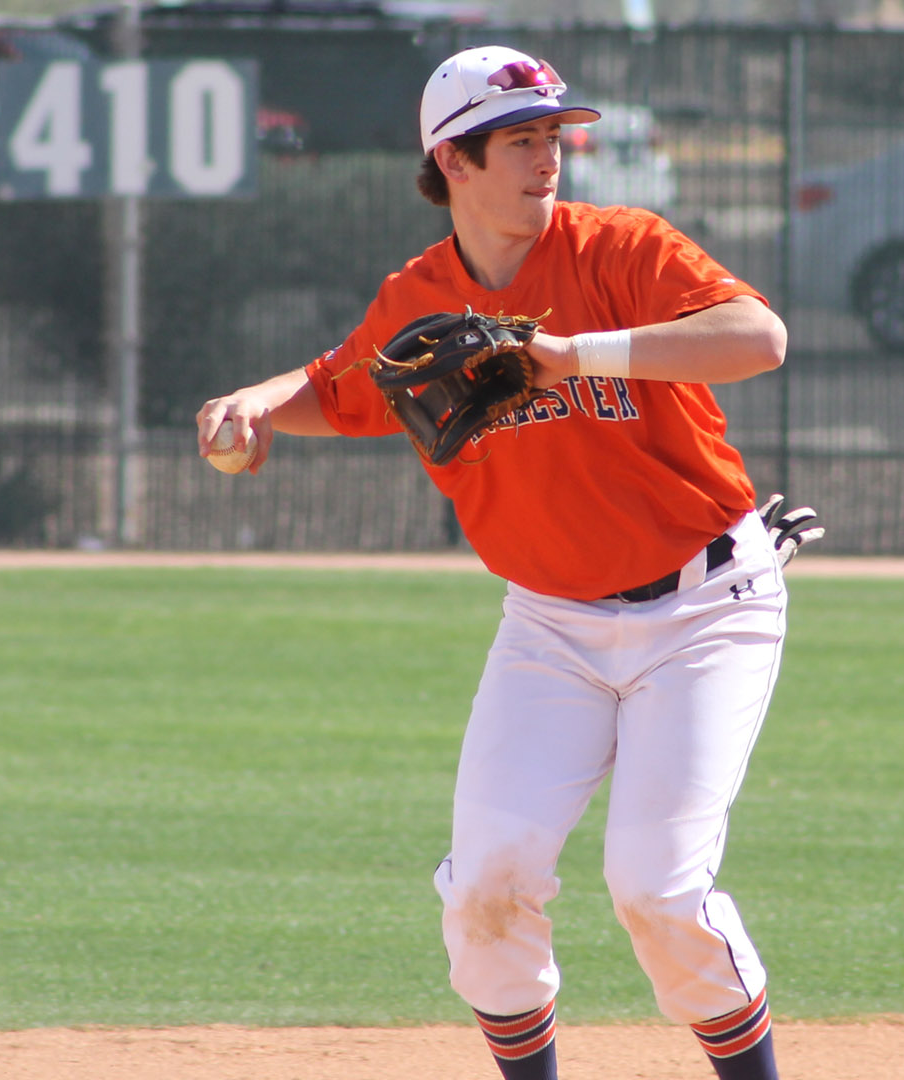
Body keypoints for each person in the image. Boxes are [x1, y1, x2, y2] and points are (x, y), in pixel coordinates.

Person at [196, 45, 794, 1080]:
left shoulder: (621, 248)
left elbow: (758, 336)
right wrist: (257, 400)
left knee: (655, 889)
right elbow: (345, 386)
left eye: (554, 134)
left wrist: (577, 354)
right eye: (521, 138)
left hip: (706, 609)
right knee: (486, 886)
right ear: (454, 161)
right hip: (551, 627)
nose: (549, 155)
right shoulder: (419, 294)